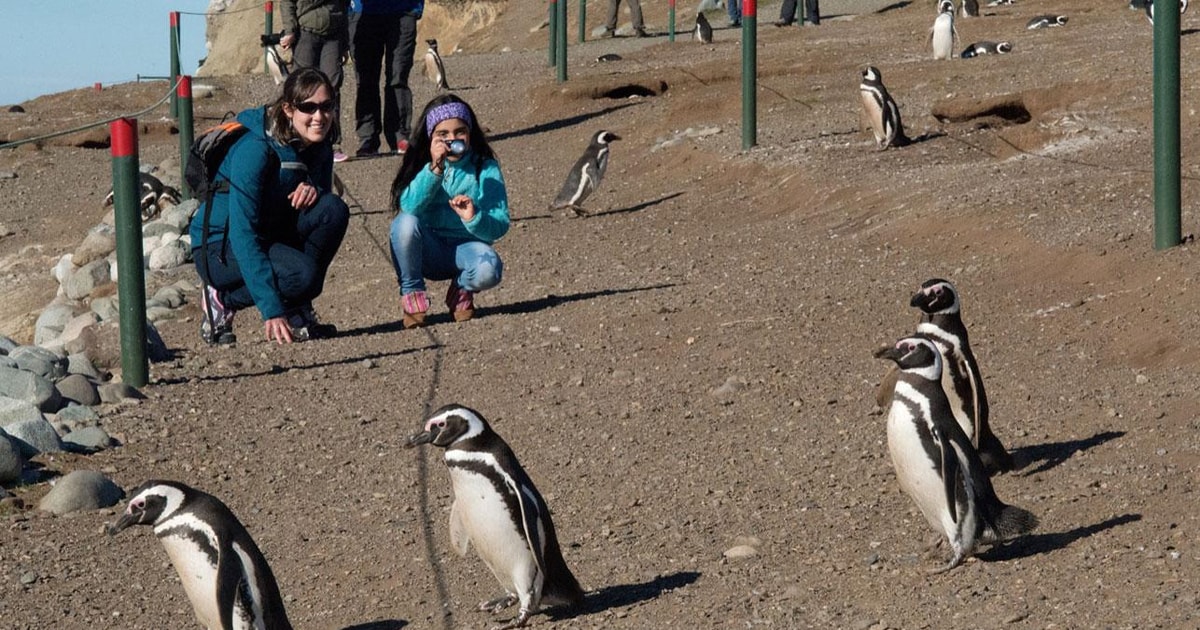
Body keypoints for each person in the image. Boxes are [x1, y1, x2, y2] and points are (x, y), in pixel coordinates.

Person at [190, 67, 350, 346]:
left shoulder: (320, 145)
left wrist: (312, 187)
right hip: (220, 246)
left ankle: (297, 306)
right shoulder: (255, 149)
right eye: (308, 107)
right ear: (288, 109)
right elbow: (242, 234)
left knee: (332, 210)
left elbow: (321, 198)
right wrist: (271, 309)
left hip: (270, 232)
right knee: (302, 276)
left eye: (326, 106)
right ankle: (221, 299)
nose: (319, 116)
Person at [388, 95, 509, 328]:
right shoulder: (421, 165)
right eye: (443, 134)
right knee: (403, 224)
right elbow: (408, 208)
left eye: (459, 132)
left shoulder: (485, 167)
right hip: (426, 248)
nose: (452, 139)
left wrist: (474, 216)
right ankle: (412, 293)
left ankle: (462, 289)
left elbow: (500, 223)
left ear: (470, 133)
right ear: (430, 137)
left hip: (466, 249)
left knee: (489, 269)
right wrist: (435, 169)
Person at [348, 0, 423, 157]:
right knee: (366, 80)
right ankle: (368, 138)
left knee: (398, 77)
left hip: (403, 11)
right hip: (363, 14)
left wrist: (417, 8)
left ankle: (399, 135)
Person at [280, 0, 350, 162]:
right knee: (301, 89)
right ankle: (295, 141)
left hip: (334, 34)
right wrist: (290, 30)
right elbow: (287, 2)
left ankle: (332, 144)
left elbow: (343, 6)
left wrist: (345, 44)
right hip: (306, 33)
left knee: (331, 89)